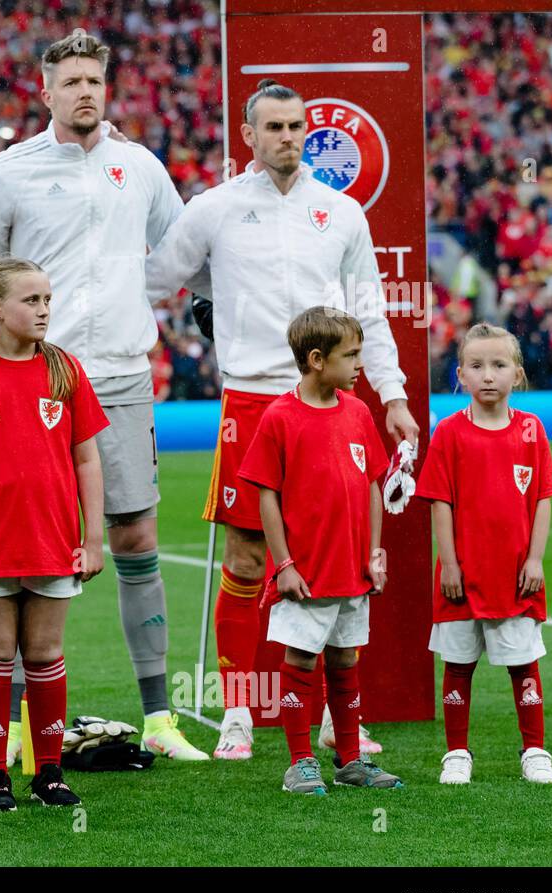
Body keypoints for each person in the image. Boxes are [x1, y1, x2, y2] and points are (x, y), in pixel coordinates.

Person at [0, 31, 210, 761]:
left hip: (118, 373)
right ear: (47, 90)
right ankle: (24, 731)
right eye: (72, 81)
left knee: (136, 538)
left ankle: (158, 719)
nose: (85, 91)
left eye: (95, 79)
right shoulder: (11, 171)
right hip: (26, 378)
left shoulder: (139, 167)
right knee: (20, 554)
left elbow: (182, 253)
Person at [142, 78, 420, 758]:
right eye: (274, 127)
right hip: (253, 397)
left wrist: (392, 393)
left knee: (336, 556)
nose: (287, 136)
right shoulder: (215, 209)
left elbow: (371, 311)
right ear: (249, 135)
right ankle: (238, 711)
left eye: (297, 126)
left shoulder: (342, 212)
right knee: (245, 555)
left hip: (334, 402)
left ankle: (333, 717)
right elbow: (156, 278)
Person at [0, 257, 108, 810]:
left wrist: (93, 538)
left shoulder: (65, 371)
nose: (43, 310)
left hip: (52, 539)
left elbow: (87, 459)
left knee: (44, 652)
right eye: (31, 301)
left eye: (47, 300)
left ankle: (50, 772)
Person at [238, 307, 403, 794]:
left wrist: (375, 551)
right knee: (302, 661)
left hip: (353, 568)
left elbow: (374, 482)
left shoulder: (356, 411)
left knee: (346, 659)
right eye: (351, 355)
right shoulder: (280, 417)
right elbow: (266, 493)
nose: (359, 364)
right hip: (307, 572)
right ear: (315, 359)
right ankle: (300, 762)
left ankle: (350, 760)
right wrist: (283, 564)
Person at [415, 323, 552, 785]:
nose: (488, 375)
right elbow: (441, 501)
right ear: (460, 375)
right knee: (458, 665)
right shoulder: (450, 433)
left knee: (524, 662)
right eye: (476, 366)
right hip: (462, 576)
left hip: (516, 574)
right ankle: (457, 753)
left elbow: (542, 498)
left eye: (498, 365)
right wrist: (450, 563)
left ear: (516, 374)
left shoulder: (532, 431)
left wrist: (535, 560)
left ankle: (534, 749)